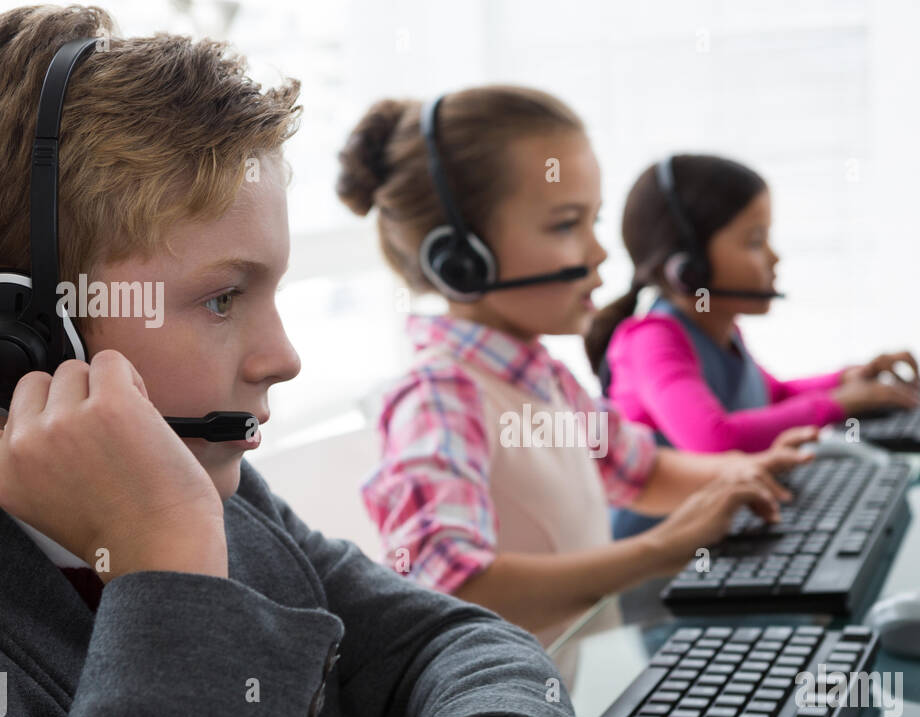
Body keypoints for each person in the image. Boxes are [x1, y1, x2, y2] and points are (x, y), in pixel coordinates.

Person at [0, 5, 618, 717]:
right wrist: (167, 569)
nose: (284, 358)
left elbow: (450, 639)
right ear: (11, 334)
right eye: (222, 298)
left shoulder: (237, 512)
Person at [345, 88, 815, 643]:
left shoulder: (544, 379)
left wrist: (747, 474)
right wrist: (655, 552)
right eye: (566, 225)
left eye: (593, 221)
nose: (599, 253)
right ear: (462, 260)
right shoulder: (440, 394)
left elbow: (640, 470)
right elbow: (451, 587)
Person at [585, 154, 920, 538]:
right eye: (755, 241)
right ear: (689, 267)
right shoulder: (653, 340)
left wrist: (847, 379)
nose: (774, 257)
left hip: (722, 539)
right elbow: (715, 439)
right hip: (656, 571)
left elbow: (771, 394)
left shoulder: (719, 330)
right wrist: (842, 404)